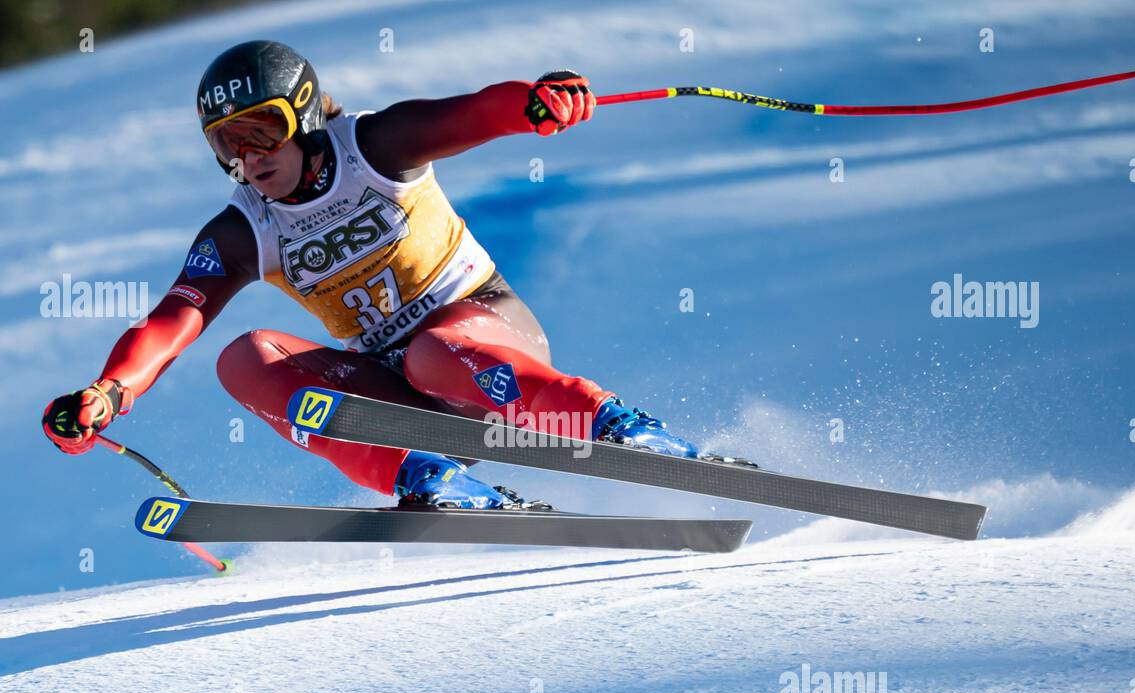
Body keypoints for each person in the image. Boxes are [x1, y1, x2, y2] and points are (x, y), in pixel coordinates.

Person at [43, 40, 698, 509]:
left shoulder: (377, 147)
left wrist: (536, 101)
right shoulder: (243, 230)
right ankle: (425, 473)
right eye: (227, 143)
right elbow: (170, 322)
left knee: (431, 352)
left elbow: (476, 113)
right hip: (406, 394)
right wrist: (108, 392)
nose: (249, 157)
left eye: (263, 131)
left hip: (488, 342)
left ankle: (608, 419)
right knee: (244, 358)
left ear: (302, 114)